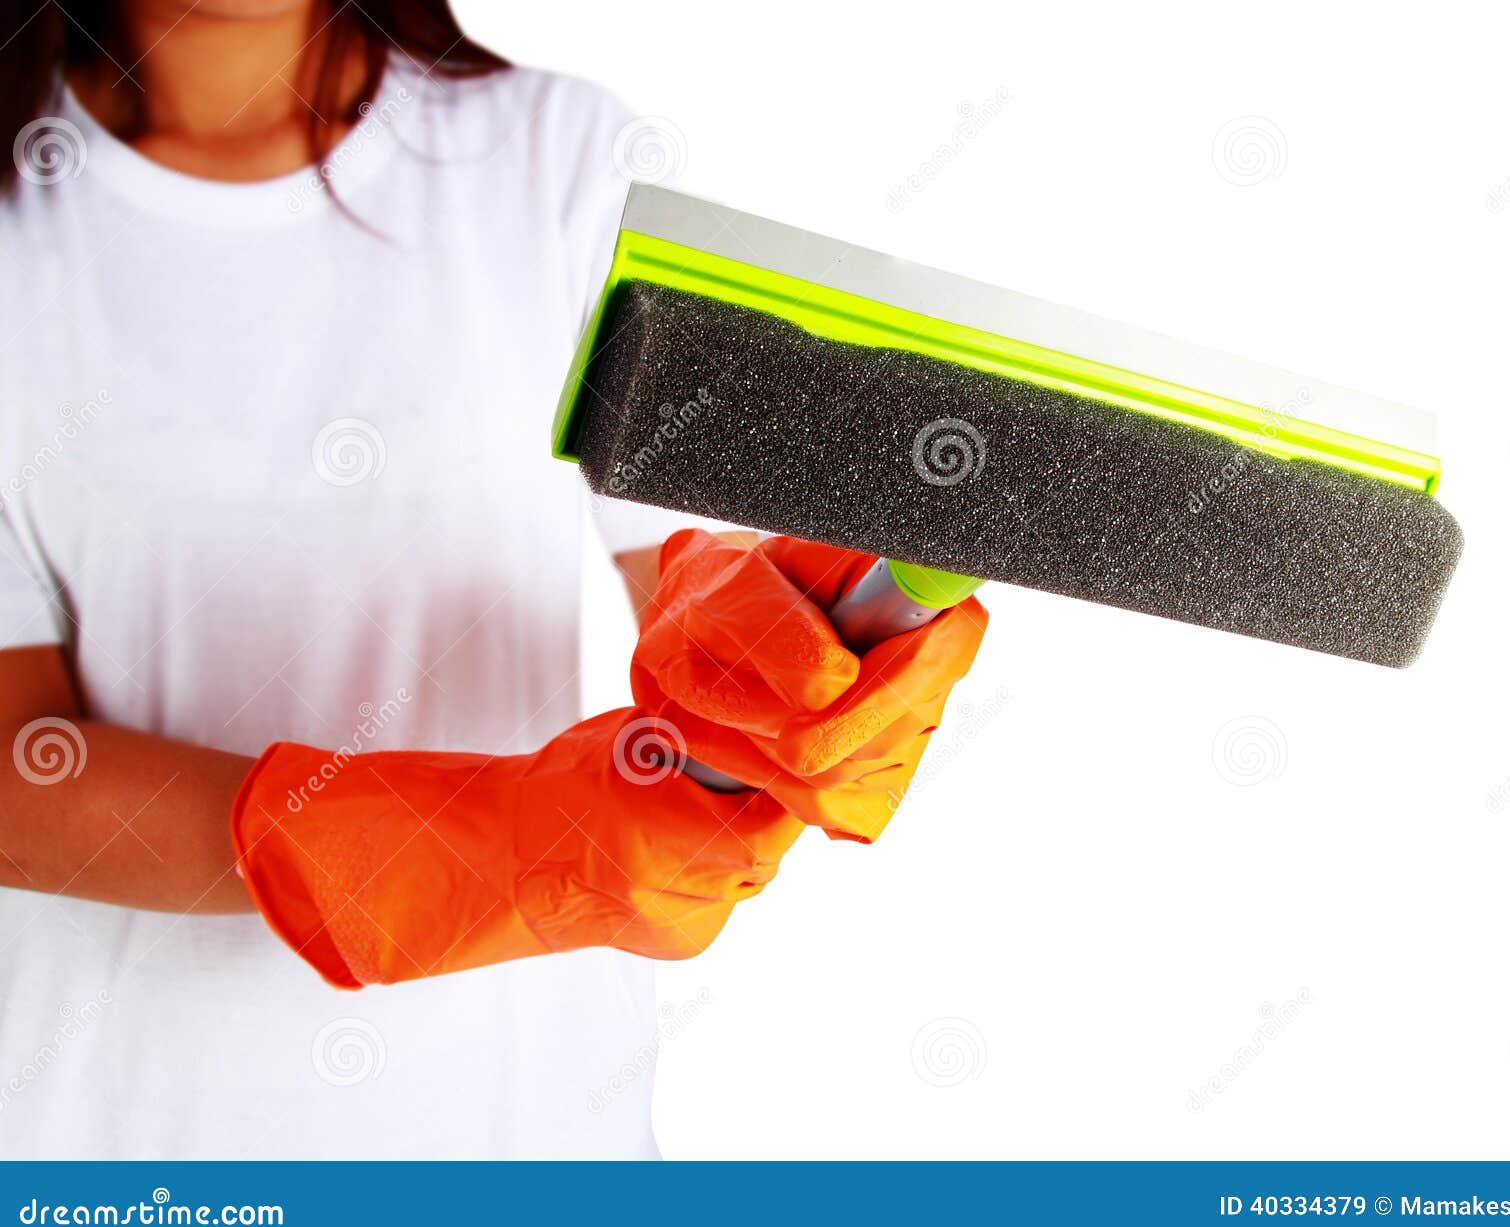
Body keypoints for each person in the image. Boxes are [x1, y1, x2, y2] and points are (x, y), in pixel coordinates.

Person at [0, 0, 984, 1158]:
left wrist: (790, 670)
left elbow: (706, 578)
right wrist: (500, 843)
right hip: (124, 1148)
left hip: (524, 1137)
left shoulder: (556, 162)